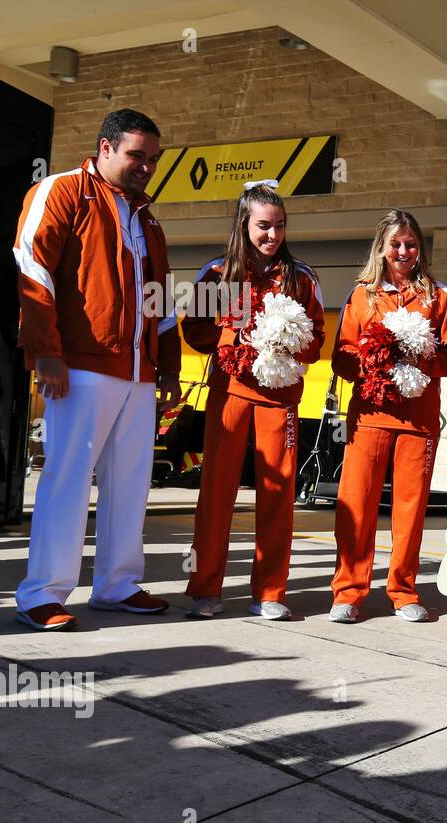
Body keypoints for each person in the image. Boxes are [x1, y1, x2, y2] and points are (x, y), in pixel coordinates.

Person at [12, 109, 181, 631]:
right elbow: (32, 266)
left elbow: (162, 299)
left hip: (138, 371)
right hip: (79, 365)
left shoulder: (148, 218)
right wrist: (45, 352)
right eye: (137, 156)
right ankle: (41, 592)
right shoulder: (62, 191)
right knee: (67, 478)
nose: (146, 167)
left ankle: (117, 584)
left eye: (152, 160)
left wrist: (168, 367)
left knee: (130, 483)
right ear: (105, 147)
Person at [182, 182, 324, 621]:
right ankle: (205, 589)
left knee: (278, 495)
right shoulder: (216, 272)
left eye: (280, 226)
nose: (272, 235)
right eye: (263, 226)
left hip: (279, 399)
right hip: (229, 394)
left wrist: (287, 340)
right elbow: (194, 332)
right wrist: (233, 331)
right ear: (244, 225)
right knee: (216, 493)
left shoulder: (302, 277)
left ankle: (270, 591)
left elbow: (316, 340)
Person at [328, 210, 447, 623]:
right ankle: (348, 593)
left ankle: (403, 591)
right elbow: (342, 356)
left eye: (410, 244)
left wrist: (421, 354)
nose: (403, 251)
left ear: (419, 248)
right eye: (395, 244)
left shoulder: (439, 296)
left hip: (418, 419)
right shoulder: (361, 295)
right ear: (382, 248)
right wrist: (376, 360)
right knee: (356, 505)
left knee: (410, 506)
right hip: (370, 414)